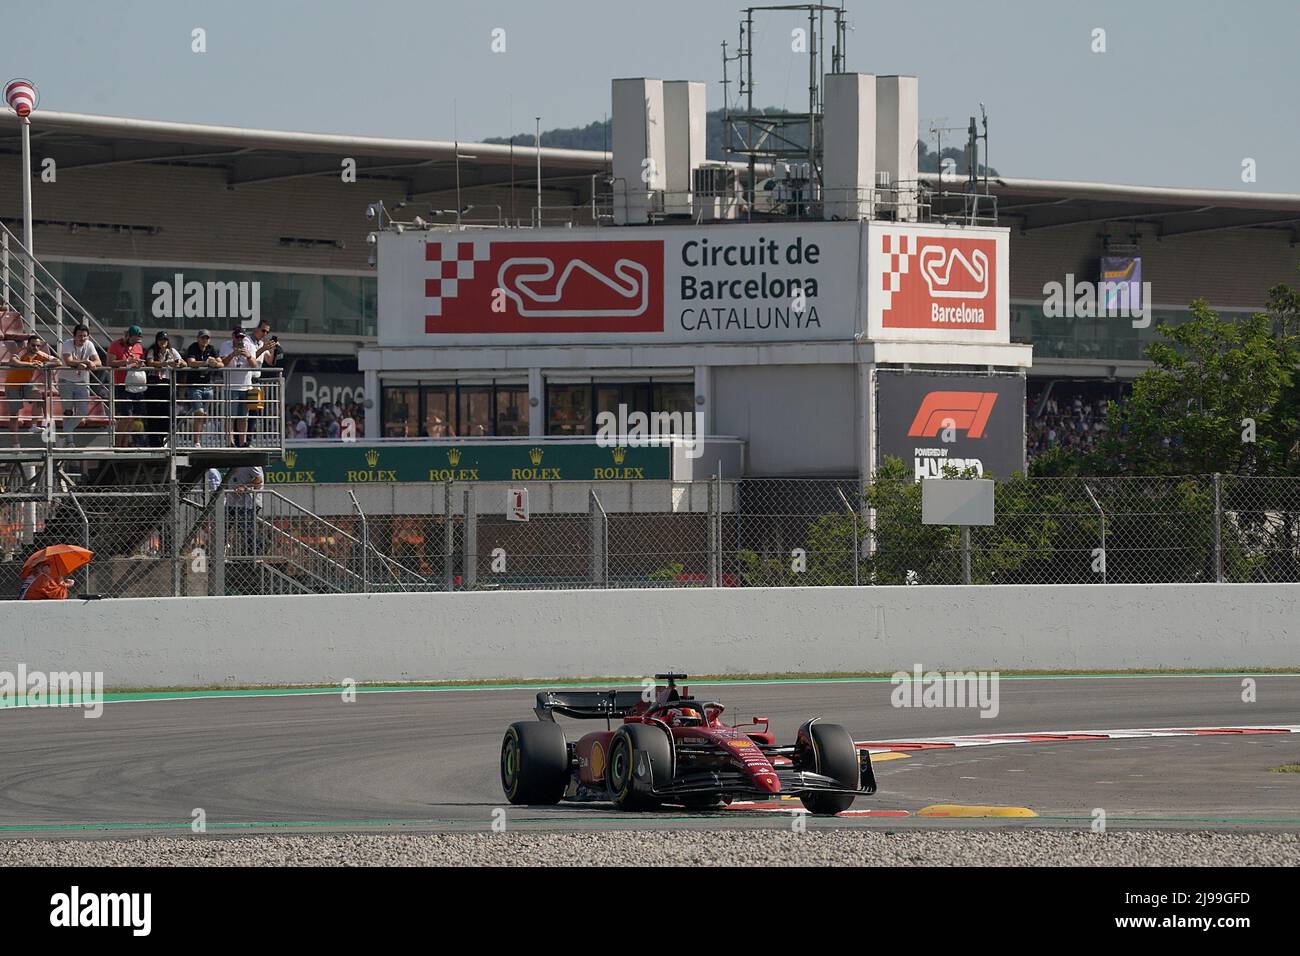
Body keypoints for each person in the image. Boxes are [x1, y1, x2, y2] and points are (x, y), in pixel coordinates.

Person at [5, 334, 54, 446]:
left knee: (39, 397)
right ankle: (15, 444)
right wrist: (31, 364)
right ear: (28, 345)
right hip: (12, 385)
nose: (35, 348)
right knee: (14, 416)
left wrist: (44, 364)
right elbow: (13, 361)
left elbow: (58, 361)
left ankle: (33, 426)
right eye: (33, 345)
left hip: (26, 383)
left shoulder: (40, 354)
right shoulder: (22, 351)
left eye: (38, 346)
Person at [58, 324, 102, 448]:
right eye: (79, 336)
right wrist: (84, 362)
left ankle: (64, 433)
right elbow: (69, 361)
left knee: (83, 411)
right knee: (68, 411)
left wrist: (91, 363)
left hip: (80, 382)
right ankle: (70, 441)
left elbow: (98, 361)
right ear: (74, 336)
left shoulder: (89, 345)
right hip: (65, 381)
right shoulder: (67, 344)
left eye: (84, 336)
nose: (82, 338)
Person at [143, 331, 185, 447]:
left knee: (167, 412)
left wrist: (178, 363)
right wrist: (166, 363)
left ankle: (162, 438)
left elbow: (183, 362)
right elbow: (150, 362)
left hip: (167, 382)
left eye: (165, 340)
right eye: (161, 340)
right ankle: (154, 442)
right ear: (157, 341)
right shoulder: (152, 351)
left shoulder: (172, 351)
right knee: (153, 412)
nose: (163, 342)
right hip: (154, 382)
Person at [107, 325, 146, 447]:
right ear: (127, 336)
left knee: (133, 417)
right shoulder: (115, 345)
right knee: (126, 415)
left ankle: (125, 443)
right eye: (134, 339)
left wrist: (139, 364)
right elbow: (109, 362)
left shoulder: (138, 347)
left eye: (138, 340)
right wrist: (126, 362)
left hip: (136, 384)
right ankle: (118, 444)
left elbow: (141, 360)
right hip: (121, 384)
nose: (136, 343)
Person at [219, 327, 257, 447]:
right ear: (233, 336)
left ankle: (242, 442)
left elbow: (255, 366)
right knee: (230, 416)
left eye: (242, 337)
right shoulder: (225, 345)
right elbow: (222, 363)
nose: (240, 339)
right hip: (231, 386)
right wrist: (232, 354)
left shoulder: (249, 346)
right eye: (237, 337)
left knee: (243, 417)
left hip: (246, 385)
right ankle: (230, 442)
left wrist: (248, 356)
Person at [183, 329, 222, 446]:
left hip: (207, 386)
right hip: (195, 385)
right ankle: (196, 442)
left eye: (207, 338)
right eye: (203, 338)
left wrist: (215, 363)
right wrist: (206, 363)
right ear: (198, 338)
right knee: (199, 412)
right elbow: (191, 362)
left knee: (202, 415)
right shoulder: (193, 347)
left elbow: (221, 363)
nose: (205, 340)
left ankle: (198, 440)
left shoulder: (212, 349)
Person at [224, 464, 264, 558]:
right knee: (223, 527)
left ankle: (255, 554)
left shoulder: (251, 463)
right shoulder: (233, 462)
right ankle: (221, 552)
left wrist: (244, 487)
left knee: (247, 530)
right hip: (232, 502)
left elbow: (259, 479)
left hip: (247, 504)